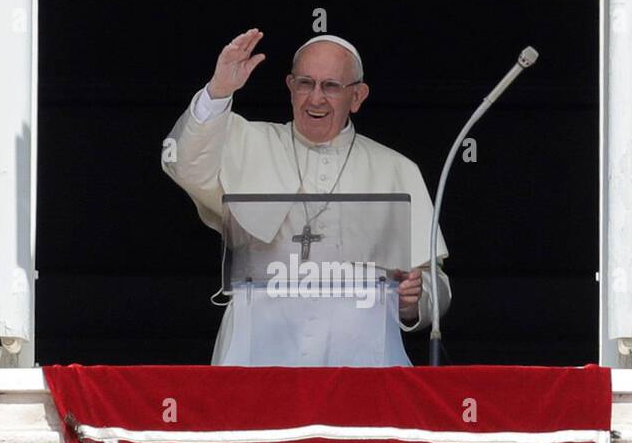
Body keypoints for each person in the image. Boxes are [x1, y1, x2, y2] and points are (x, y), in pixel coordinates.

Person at [163, 28, 450, 365]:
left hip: (362, 355)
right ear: (290, 87)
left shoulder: (396, 169)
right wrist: (218, 91)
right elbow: (182, 162)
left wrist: (413, 300)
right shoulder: (246, 141)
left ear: (357, 97)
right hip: (257, 350)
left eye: (330, 86)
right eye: (305, 84)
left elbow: (436, 284)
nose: (315, 98)